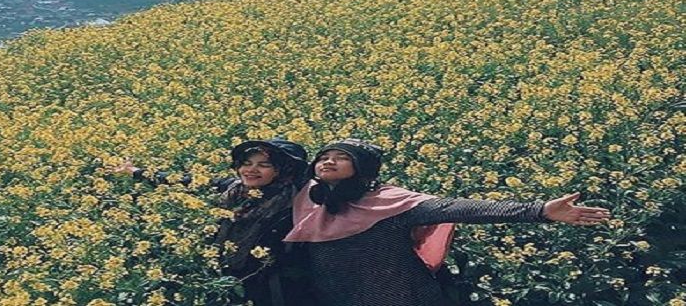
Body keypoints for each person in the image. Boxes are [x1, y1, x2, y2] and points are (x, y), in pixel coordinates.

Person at [284, 138, 612, 306]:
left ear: (363, 167)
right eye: (324, 156)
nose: (329, 161)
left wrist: (539, 210)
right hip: (335, 297)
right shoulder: (304, 197)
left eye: (341, 157)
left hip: (400, 296)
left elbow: (459, 208)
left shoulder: (393, 202)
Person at [110, 139, 318, 306]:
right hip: (221, 272)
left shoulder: (300, 199)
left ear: (283, 170)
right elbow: (183, 180)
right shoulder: (233, 189)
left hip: (272, 284)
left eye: (263, 165)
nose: (251, 170)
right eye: (247, 163)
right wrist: (136, 172)